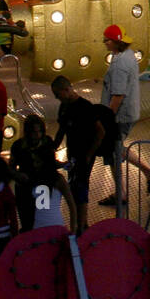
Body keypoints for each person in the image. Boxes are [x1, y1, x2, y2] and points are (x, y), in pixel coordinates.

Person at [99, 25, 150, 207]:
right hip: (127, 113)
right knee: (116, 149)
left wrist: (106, 118)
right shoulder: (127, 56)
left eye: (107, 40)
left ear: (116, 42)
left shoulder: (120, 64)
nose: (104, 43)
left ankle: (122, 192)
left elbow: (118, 95)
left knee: (112, 151)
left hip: (119, 116)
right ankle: (148, 173)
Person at [51, 75, 108, 233]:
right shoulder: (64, 106)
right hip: (73, 153)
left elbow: (100, 132)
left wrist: (89, 154)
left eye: (58, 94)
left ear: (67, 89)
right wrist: (53, 147)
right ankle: (80, 222)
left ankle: (81, 225)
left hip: (83, 155)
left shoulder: (85, 107)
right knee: (75, 186)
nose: (57, 98)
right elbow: (61, 129)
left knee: (80, 186)